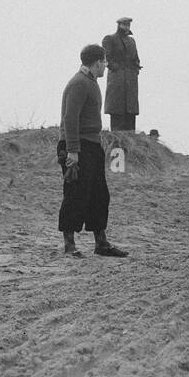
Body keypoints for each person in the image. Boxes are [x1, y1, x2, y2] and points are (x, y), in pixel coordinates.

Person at [57, 44, 129, 258]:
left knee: (99, 195)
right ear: (97, 62)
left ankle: (101, 243)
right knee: (76, 195)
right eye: (104, 62)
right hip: (77, 146)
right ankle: (69, 245)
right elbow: (70, 119)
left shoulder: (90, 82)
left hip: (91, 145)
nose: (106, 66)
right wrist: (72, 151)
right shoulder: (79, 83)